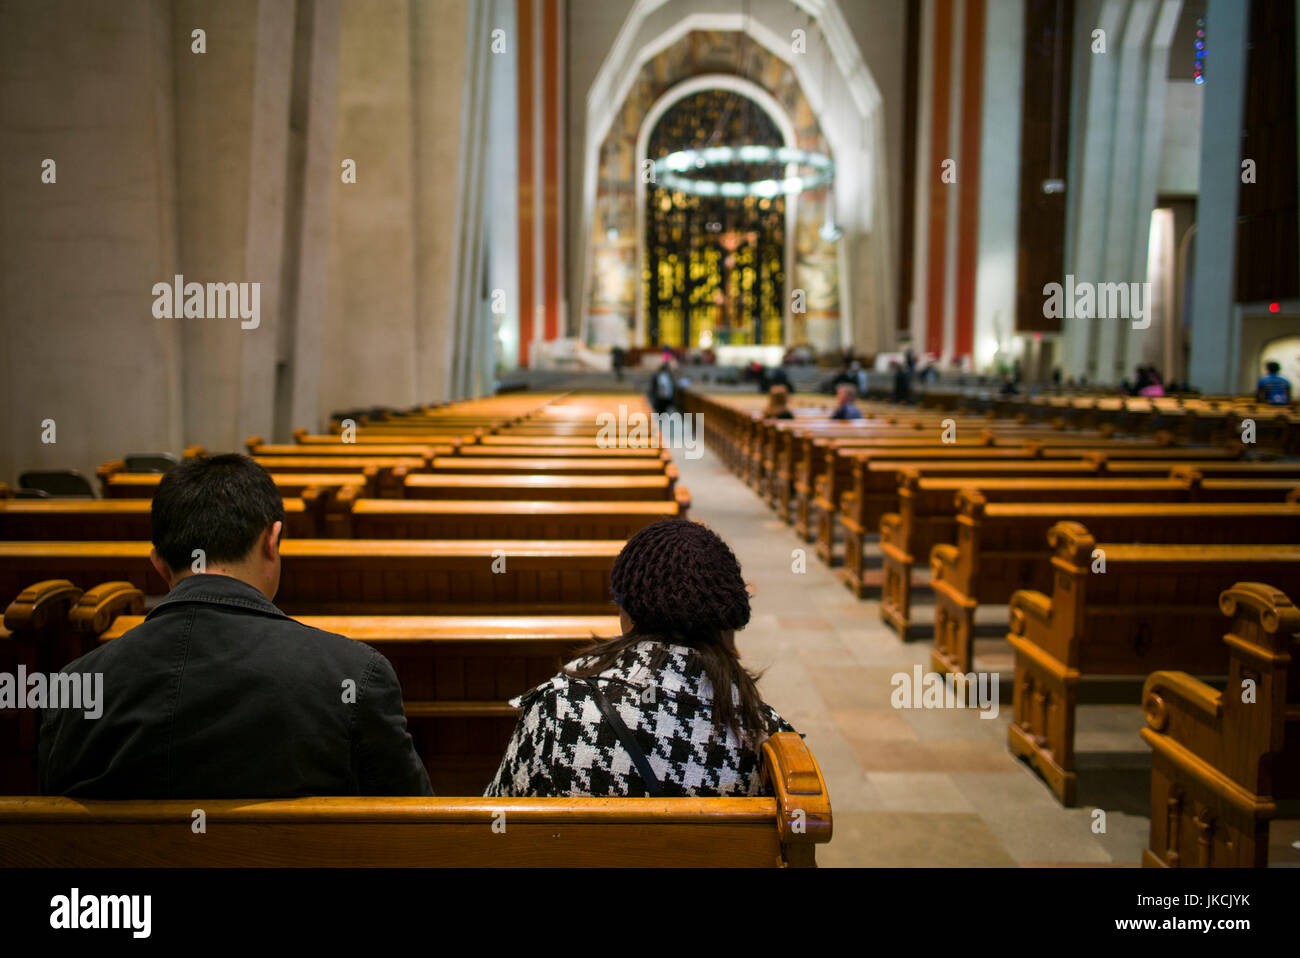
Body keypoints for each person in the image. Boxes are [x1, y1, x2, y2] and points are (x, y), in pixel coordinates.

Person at [39, 454, 432, 799]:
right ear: (271, 541)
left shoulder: (74, 687)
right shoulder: (353, 675)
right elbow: (412, 825)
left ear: (159, 564)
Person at [485, 519, 795, 797]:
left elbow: (496, 819)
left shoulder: (558, 710)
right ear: (726, 626)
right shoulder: (765, 738)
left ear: (627, 612)